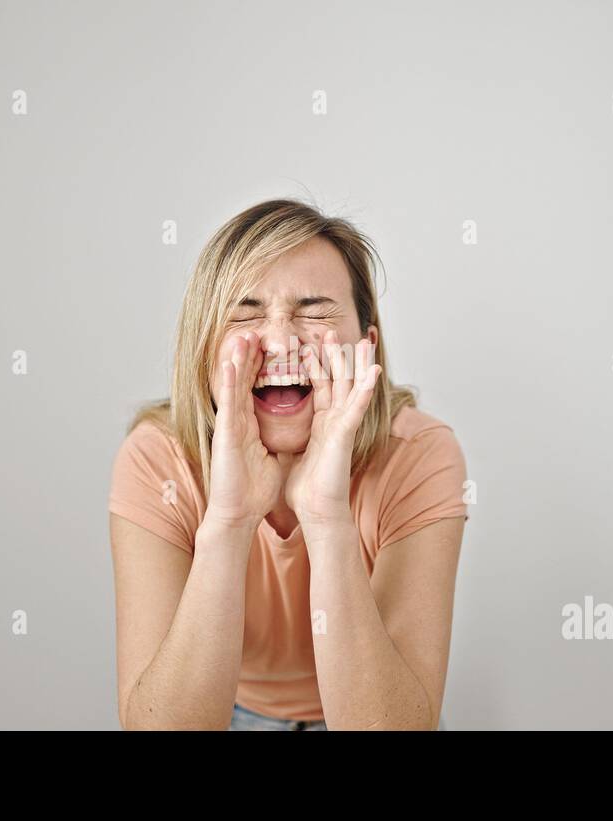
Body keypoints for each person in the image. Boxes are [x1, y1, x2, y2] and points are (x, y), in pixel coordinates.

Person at [108, 199, 468, 730]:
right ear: (204, 346)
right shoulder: (157, 460)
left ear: (366, 348)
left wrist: (325, 518)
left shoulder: (420, 456)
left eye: (316, 309)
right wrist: (229, 521)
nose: (279, 341)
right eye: (246, 313)